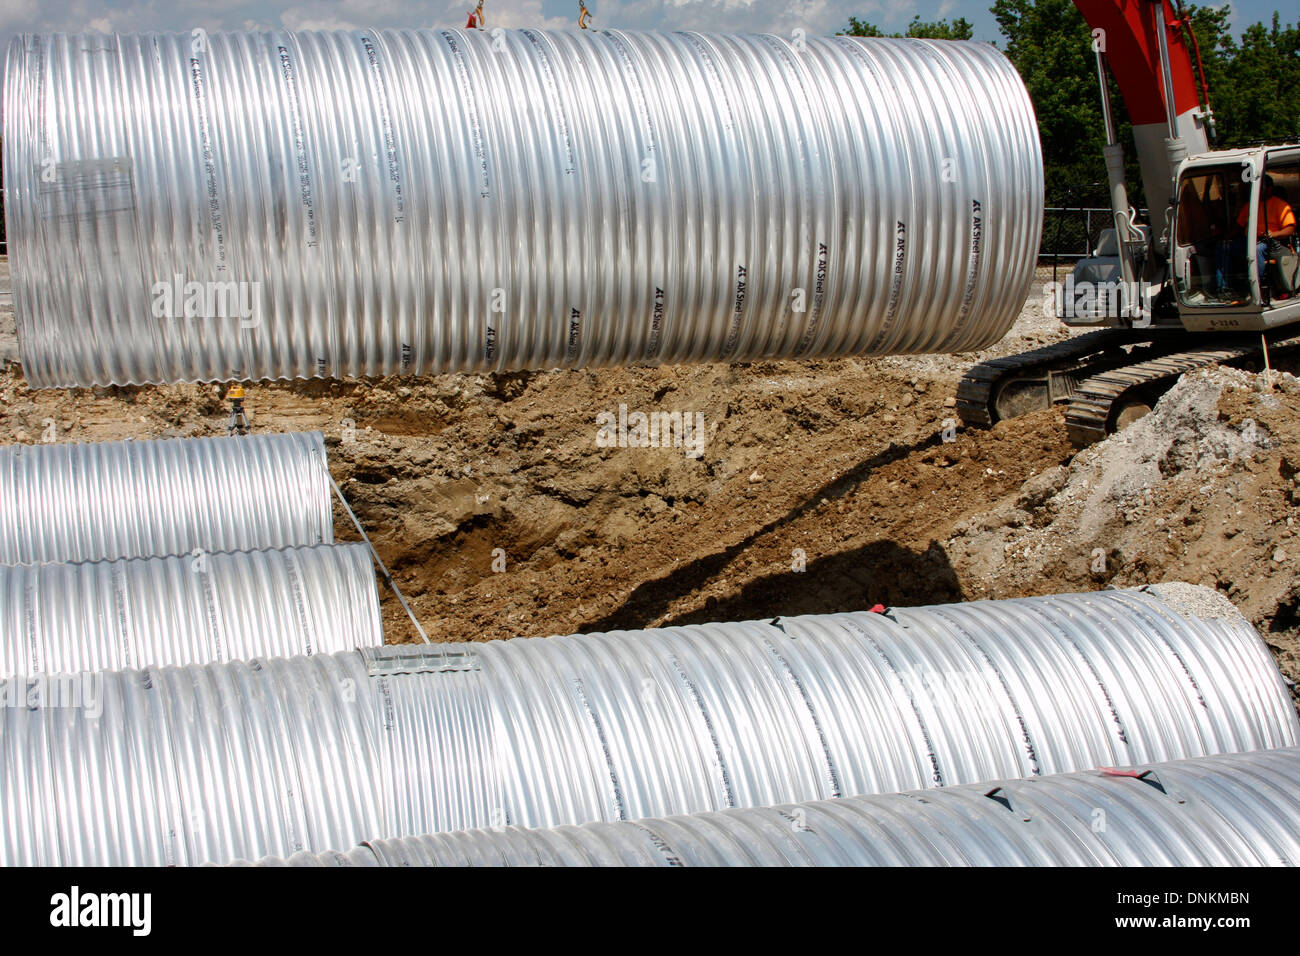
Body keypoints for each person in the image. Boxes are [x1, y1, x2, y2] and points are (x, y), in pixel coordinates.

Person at [1232, 175, 1297, 299]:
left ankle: (1257, 288)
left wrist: (1274, 234)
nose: (1261, 191)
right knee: (1225, 249)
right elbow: (1238, 227)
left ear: (1270, 188)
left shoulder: (1280, 205)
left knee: (1256, 250)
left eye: (1263, 188)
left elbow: (1290, 229)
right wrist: (1225, 238)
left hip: (1269, 242)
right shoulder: (1250, 205)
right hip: (1249, 240)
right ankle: (1225, 288)